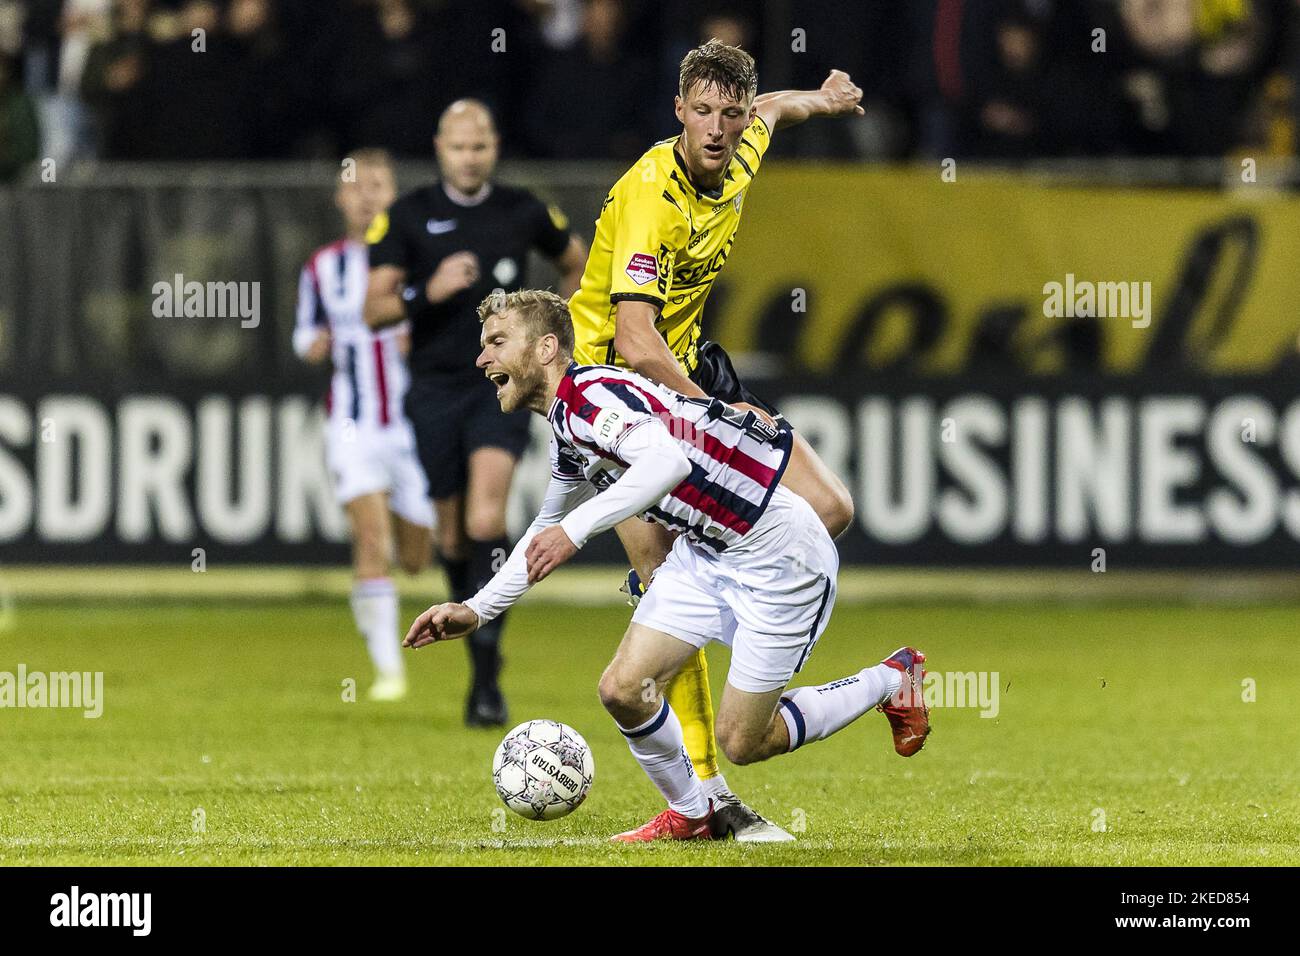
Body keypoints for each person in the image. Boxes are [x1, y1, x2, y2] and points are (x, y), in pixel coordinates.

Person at [402, 290, 931, 842]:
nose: (482, 359)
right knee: (623, 689)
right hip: (707, 552)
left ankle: (891, 680)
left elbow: (665, 462)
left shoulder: (589, 397)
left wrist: (575, 532)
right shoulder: (568, 422)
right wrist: (476, 610)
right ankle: (693, 813)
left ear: (545, 348)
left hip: (777, 553)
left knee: (745, 741)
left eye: (496, 342)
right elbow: (546, 525)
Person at [562, 38, 864, 840]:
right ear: (679, 112)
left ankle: (730, 604)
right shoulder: (651, 197)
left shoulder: (739, 149)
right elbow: (636, 341)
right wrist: (718, 417)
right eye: (702, 111)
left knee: (830, 507)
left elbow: (774, 109)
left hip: (691, 371)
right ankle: (703, 795)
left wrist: (825, 98)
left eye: (729, 113)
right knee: (660, 571)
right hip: (620, 401)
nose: (719, 127)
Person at [364, 100, 587, 726]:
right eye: (459, 147)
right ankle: (476, 643)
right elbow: (374, 308)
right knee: (453, 536)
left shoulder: (523, 209)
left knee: (487, 515)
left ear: (494, 148)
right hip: (434, 389)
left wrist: (560, 337)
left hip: (503, 389)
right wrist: (425, 290)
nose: (470, 157)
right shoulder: (407, 215)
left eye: (480, 146)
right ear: (441, 148)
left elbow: (577, 261)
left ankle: (486, 675)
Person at [294, 149, 434, 702]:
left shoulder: (415, 261)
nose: (366, 196)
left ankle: (377, 608)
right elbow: (303, 333)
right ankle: (388, 670)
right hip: (352, 424)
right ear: (340, 197)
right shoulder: (323, 266)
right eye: (355, 186)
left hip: (412, 427)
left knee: (416, 559)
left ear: (392, 196)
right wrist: (315, 345)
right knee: (370, 539)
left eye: (377, 185)